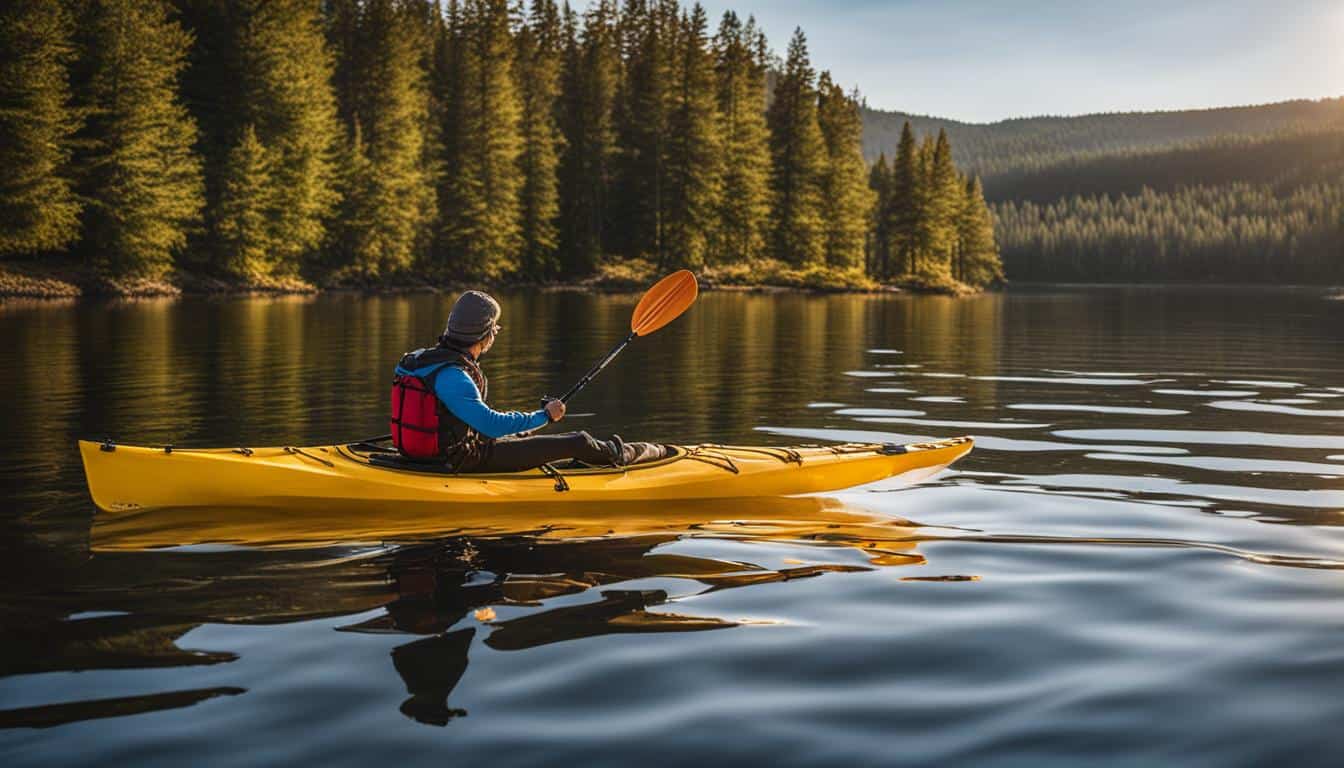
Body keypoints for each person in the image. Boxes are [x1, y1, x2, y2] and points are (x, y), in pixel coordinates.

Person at [390, 291, 668, 473]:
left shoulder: (415, 360)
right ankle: (629, 454)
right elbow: (490, 424)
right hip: (461, 461)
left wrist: (532, 424)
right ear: (486, 335)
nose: (495, 334)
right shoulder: (455, 376)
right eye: (495, 329)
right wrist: (545, 416)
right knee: (577, 440)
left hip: (422, 454)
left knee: (523, 435)